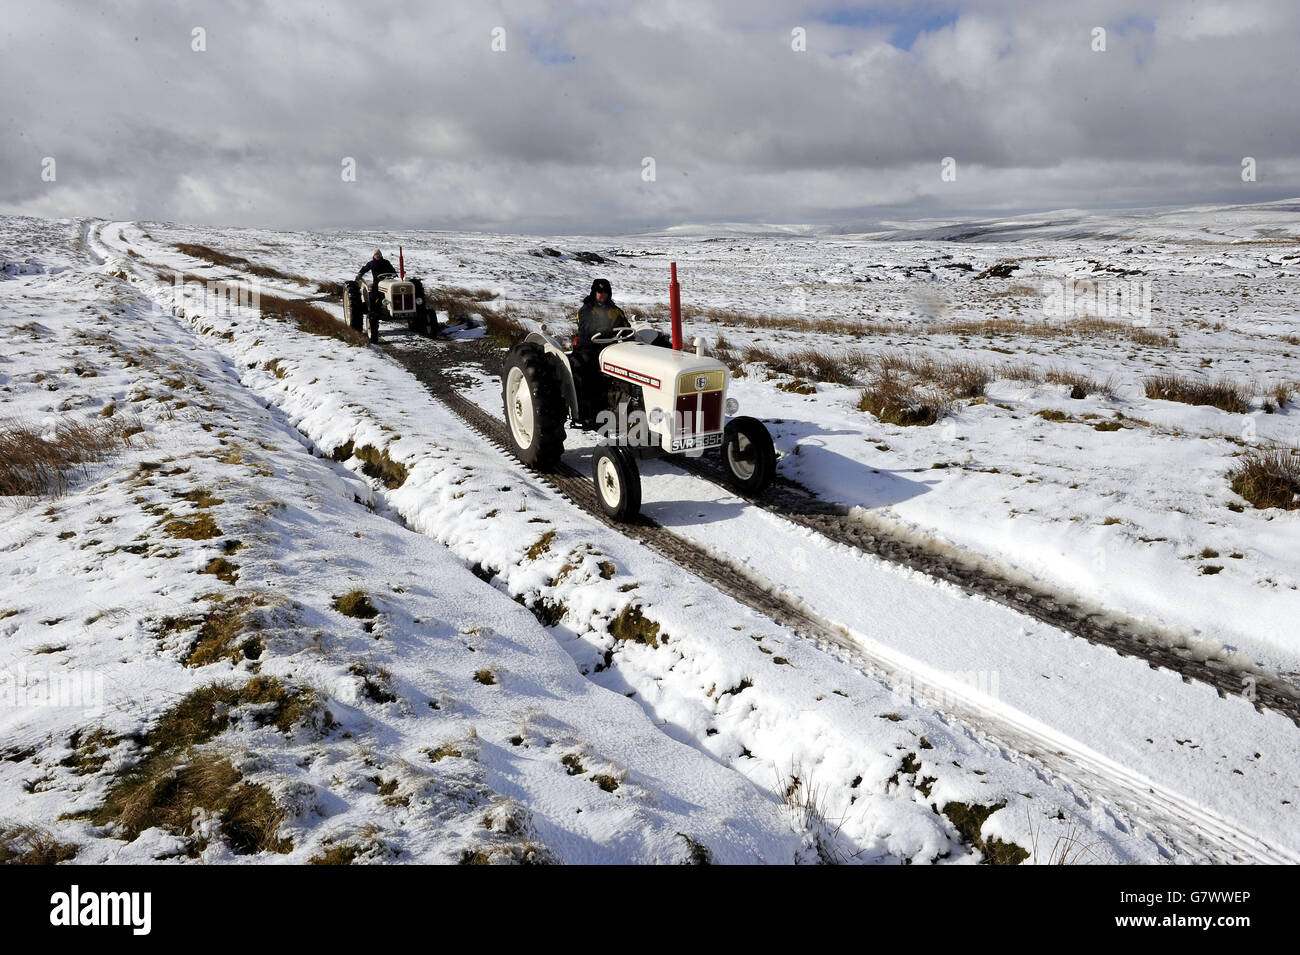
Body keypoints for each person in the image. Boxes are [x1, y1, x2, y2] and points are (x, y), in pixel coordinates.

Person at [572, 278, 629, 424]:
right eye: (599, 291)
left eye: (605, 291)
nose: (602, 294)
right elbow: (586, 327)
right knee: (586, 371)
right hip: (589, 348)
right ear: (594, 292)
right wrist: (604, 331)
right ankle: (587, 412)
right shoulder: (586, 310)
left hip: (611, 348)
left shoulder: (615, 311)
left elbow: (625, 326)